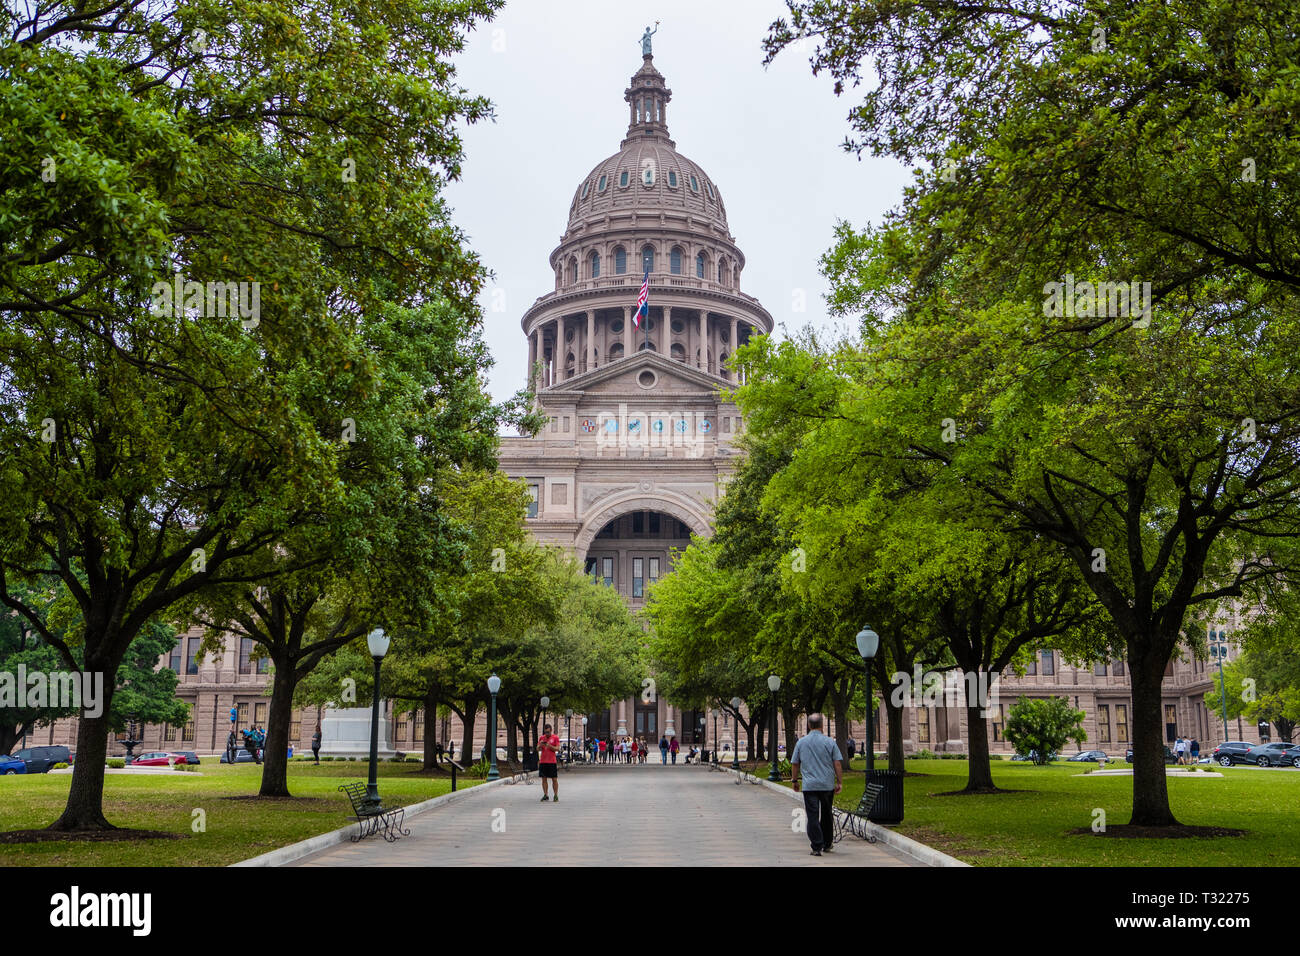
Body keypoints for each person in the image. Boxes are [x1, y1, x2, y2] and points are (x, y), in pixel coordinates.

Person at [791, 713, 844, 857]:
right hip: (827, 785)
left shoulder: (801, 742)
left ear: (809, 725)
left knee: (812, 816)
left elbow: (795, 763)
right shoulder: (830, 742)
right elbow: (837, 763)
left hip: (809, 786)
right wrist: (839, 782)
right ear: (821, 725)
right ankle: (827, 843)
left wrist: (794, 780)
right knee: (827, 815)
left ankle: (816, 846)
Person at [538, 723, 560, 802]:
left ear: (551, 731)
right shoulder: (542, 738)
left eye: (548, 732)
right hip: (543, 761)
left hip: (552, 762)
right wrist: (540, 745)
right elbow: (537, 749)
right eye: (545, 732)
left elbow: (557, 748)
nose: (546, 734)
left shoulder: (555, 738)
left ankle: (556, 795)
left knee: (554, 779)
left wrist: (549, 745)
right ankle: (545, 794)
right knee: (544, 779)